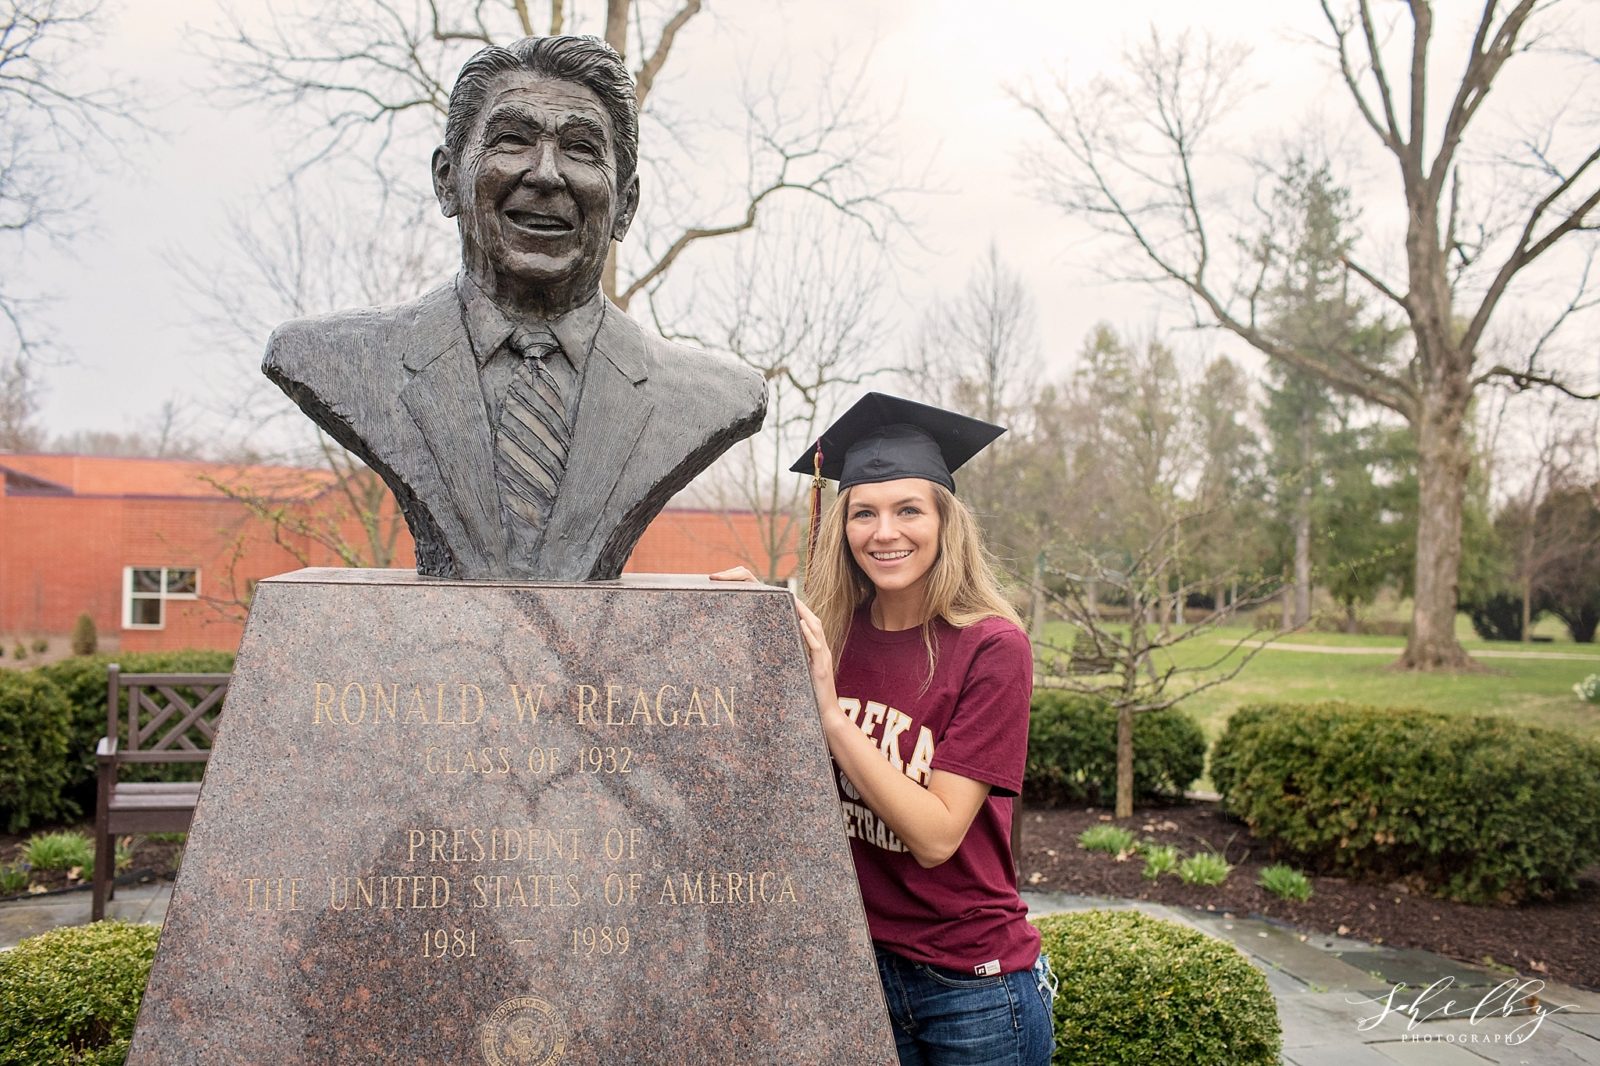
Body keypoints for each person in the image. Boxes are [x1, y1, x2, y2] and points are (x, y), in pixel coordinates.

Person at [264, 35, 765, 582]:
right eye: (511, 140)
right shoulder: (331, 359)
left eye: (580, 149)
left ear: (625, 204)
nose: (547, 173)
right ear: (447, 180)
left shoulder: (713, 397)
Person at [718, 392, 1055, 1065]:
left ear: (945, 521)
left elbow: (935, 836)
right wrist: (736, 615)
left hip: (971, 989)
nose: (884, 532)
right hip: (858, 967)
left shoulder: (991, 646)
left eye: (909, 510)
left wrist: (831, 716)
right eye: (864, 513)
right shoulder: (834, 637)